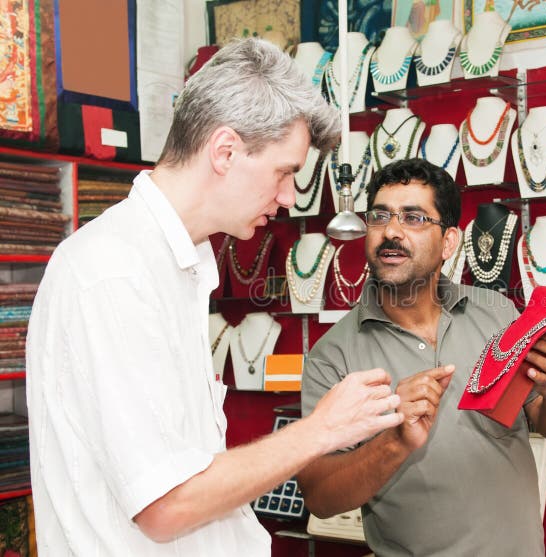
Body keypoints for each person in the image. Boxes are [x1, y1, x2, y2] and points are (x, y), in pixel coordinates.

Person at [25, 38, 404, 555]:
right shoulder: (113, 273)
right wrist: (321, 431)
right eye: (285, 172)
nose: (290, 197)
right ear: (225, 152)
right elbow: (166, 504)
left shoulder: (173, 266)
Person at [299, 158, 546, 557]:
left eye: (414, 218)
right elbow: (319, 496)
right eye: (380, 216)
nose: (392, 232)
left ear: (449, 242)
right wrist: (394, 441)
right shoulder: (332, 356)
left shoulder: (499, 314)